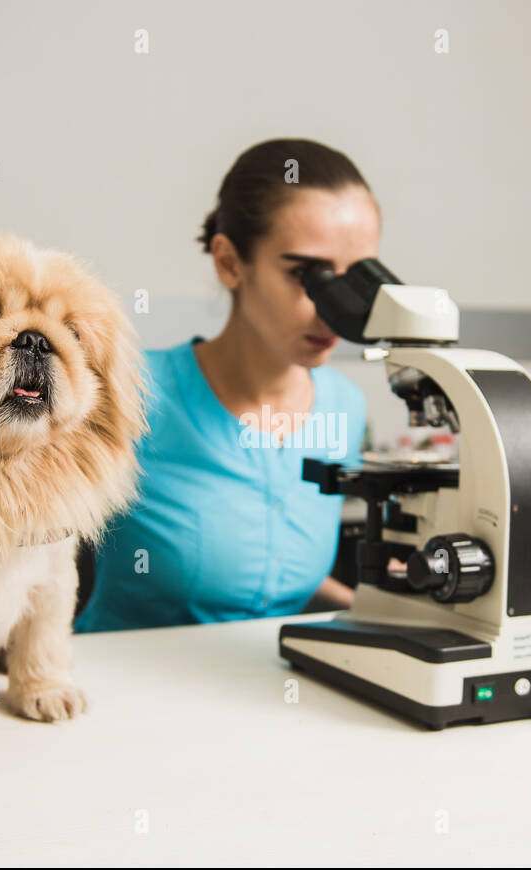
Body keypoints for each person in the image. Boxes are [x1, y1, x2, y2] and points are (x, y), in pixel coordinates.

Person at [75, 138, 379, 632]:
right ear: (230, 262)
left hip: (264, 687)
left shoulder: (345, 407)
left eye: (357, 277)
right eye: (306, 274)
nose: (334, 307)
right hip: (121, 687)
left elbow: (270, 570)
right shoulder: (130, 389)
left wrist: (379, 609)